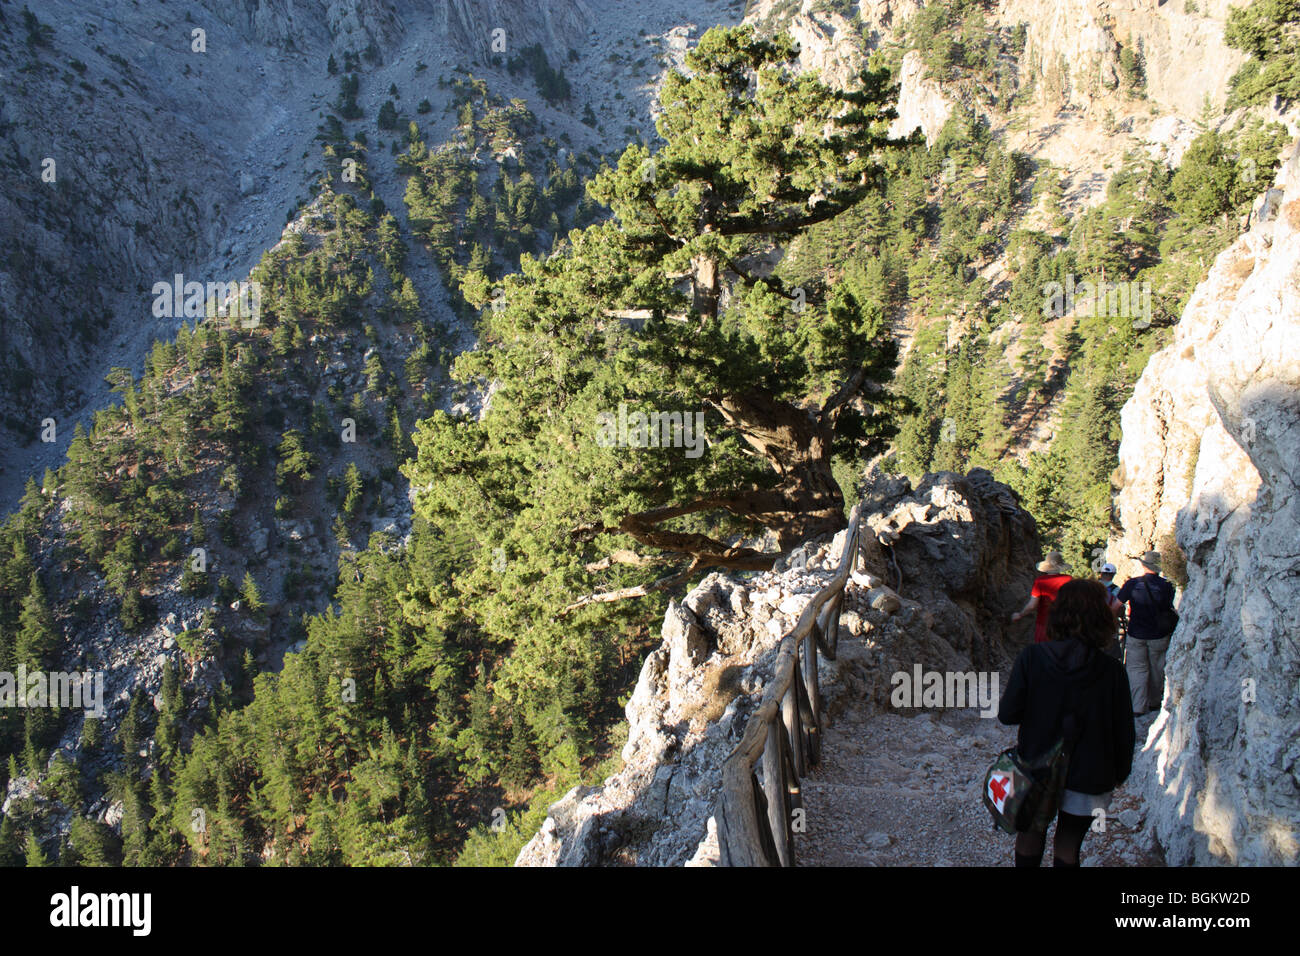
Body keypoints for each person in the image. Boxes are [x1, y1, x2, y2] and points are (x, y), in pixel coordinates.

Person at [998, 579, 1136, 867]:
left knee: (1029, 835)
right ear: (1100, 618)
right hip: (1091, 774)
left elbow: (1008, 714)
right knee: (1068, 846)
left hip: (1036, 768)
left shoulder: (1032, 657)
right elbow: (1124, 731)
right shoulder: (1113, 671)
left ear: (1058, 614)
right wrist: (1119, 774)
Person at [1117, 551, 1177, 717]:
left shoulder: (1132, 584)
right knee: (1157, 668)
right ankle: (1154, 702)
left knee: (1136, 669)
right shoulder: (1167, 585)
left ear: (1144, 566)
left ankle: (1137, 706)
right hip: (1159, 634)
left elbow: (1116, 605)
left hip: (1136, 633)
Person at [1011, 551, 1072, 643]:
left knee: (1044, 650)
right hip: (1065, 624)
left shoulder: (1040, 582)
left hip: (1044, 624)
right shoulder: (1069, 580)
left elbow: (1032, 605)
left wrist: (1020, 614)